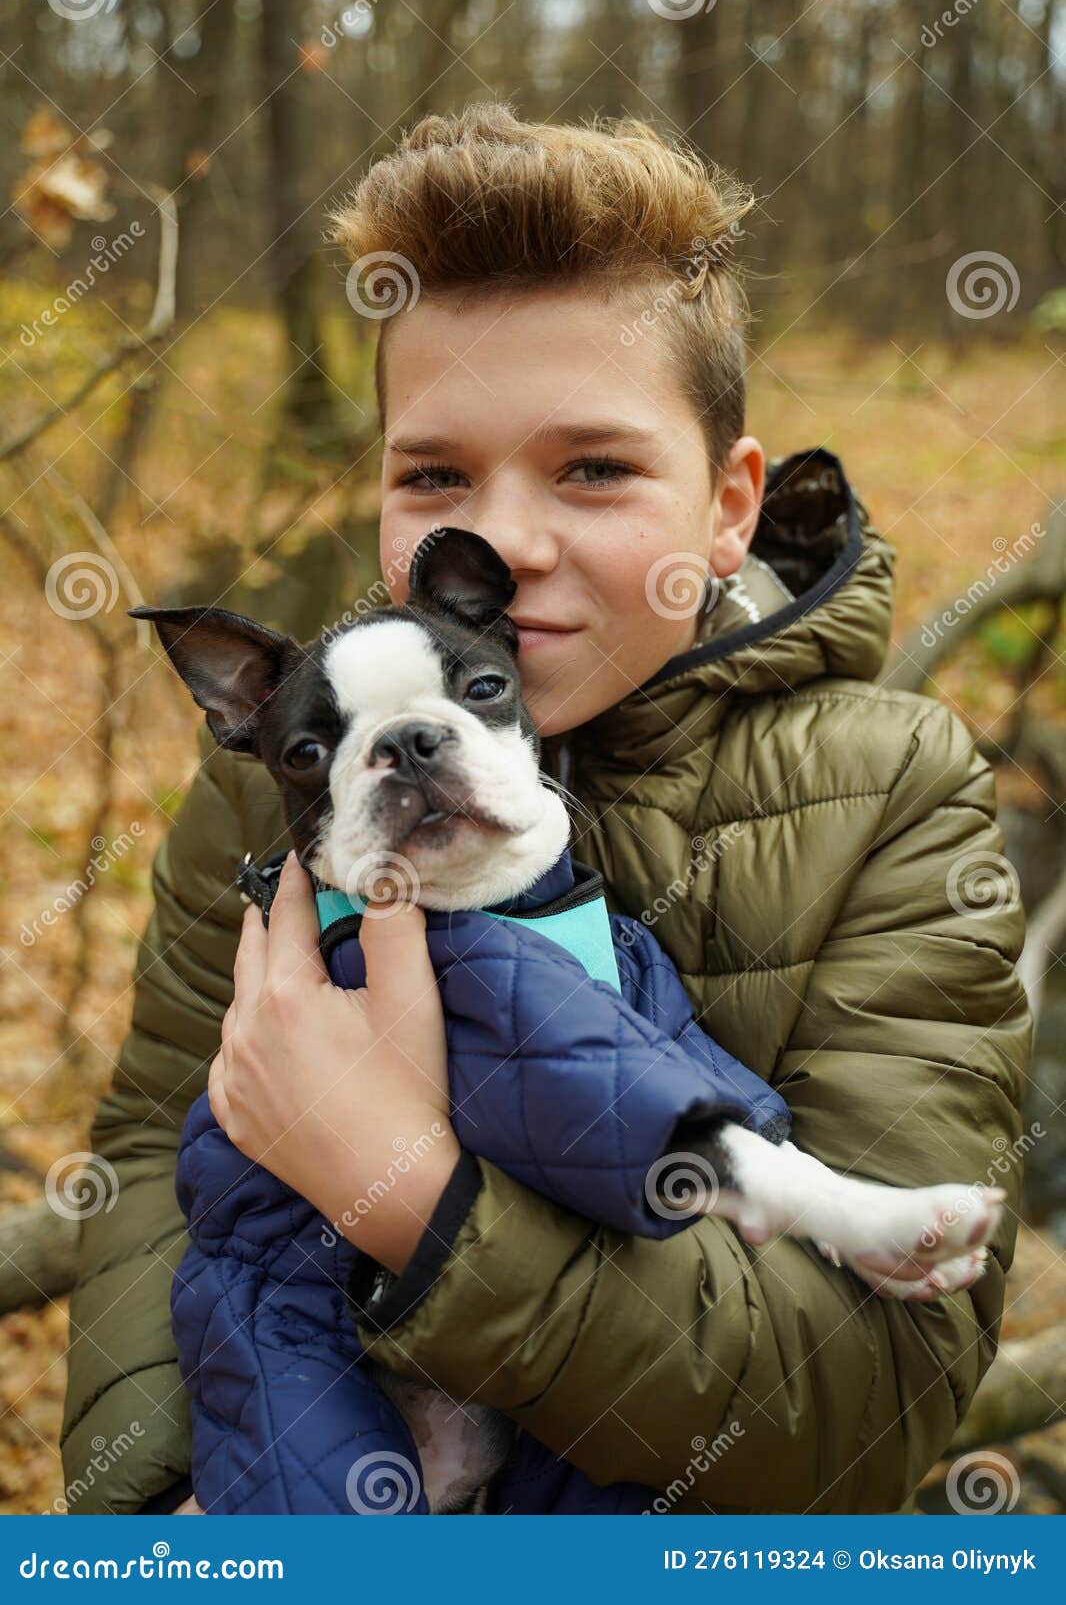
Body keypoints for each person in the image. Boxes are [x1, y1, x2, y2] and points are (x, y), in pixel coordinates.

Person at [60, 102, 1031, 1516]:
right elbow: (153, 1163)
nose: (508, 543)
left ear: (728, 505)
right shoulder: (264, 791)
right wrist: (156, 1512)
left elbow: (864, 1402)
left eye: (594, 467)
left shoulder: (886, 797)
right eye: (436, 474)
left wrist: (416, 1199)